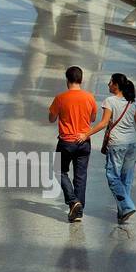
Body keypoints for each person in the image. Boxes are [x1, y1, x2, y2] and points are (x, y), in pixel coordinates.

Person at [83, 74, 136, 225]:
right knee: (126, 178)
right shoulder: (133, 102)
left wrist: (86, 134)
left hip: (116, 144)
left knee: (113, 176)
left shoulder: (110, 101)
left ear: (116, 85)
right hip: (132, 144)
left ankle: (127, 206)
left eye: (110, 82)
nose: (108, 85)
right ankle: (123, 212)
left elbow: (103, 124)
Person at [48, 65, 98, 223]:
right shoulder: (89, 97)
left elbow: (51, 118)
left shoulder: (61, 98)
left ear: (67, 80)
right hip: (84, 142)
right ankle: (78, 210)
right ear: (81, 80)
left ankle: (73, 201)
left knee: (58, 170)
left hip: (66, 142)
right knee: (80, 177)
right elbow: (93, 119)